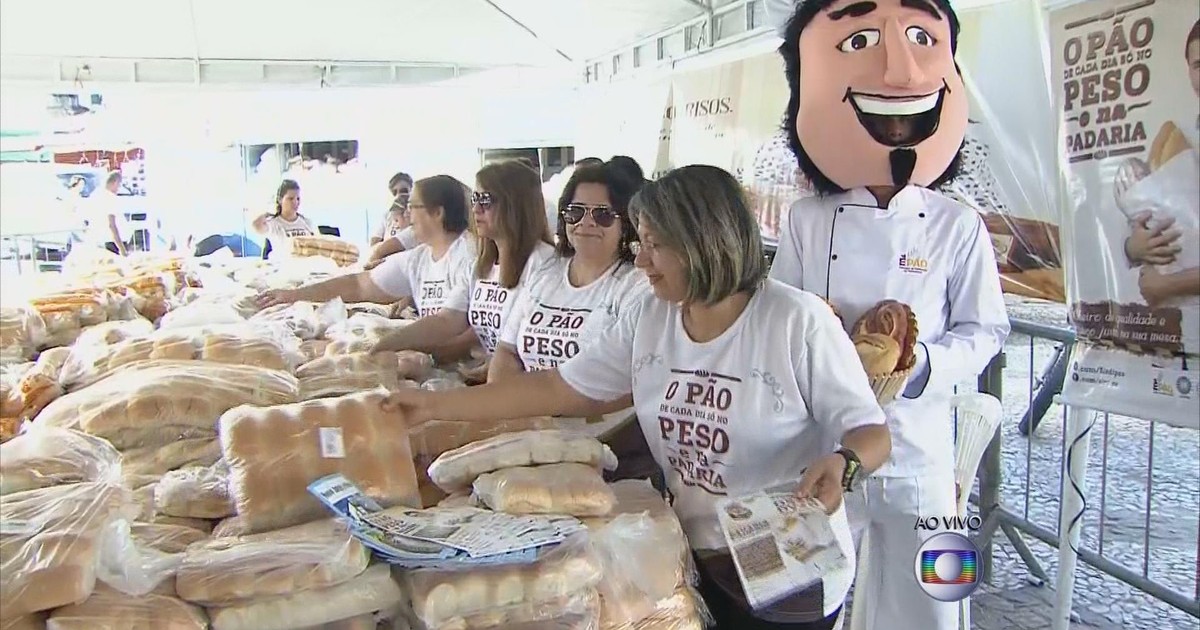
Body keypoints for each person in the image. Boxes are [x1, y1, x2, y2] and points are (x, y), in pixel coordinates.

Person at [378, 165, 892, 630]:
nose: (640, 259)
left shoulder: (796, 321)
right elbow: (559, 387)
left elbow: (870, 431)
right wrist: (432, 407)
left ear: (703, 241)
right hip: (697, 549)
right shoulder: (653, 316)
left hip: (789, 564)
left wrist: (844, 463)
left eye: (654, 244)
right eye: (639, 241)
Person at [767, 2, 1010, 630]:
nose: (897, 123)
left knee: (938, 602)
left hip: (924, 456)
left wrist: (921, 364)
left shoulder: (957, 224)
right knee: (807, 598)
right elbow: (780, 316)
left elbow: (987, 330)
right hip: (826, 451)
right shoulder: (808, 220)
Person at [372, 160, 557, 360]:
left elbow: (530, 345)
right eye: (475, 199)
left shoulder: (544, 264)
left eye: (485, 200)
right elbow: (447, 320)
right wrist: (383, 346)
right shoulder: (483, 265)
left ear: (515, 205)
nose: (475, 209)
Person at [256, 175, 476, 319]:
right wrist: (294, 295)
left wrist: (393, 344)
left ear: (437, 213)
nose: (407, 214)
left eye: (412, 207)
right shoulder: (418, 259)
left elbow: (459, 327)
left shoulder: (469, 255)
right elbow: (359, 285)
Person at [251, 180, 315, 252]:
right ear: (280, 200)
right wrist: (268, 213)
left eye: (298, 198)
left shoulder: (307, 222)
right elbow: (256, 225)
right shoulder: (273, 224)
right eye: (290, 199)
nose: (295, 202)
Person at [79, 171, 130, 256]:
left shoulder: (94, 195)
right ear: (115, 182)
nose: (118, 188)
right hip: (112, 243)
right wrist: (122, 249)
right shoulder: (110, 198)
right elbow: (111, 225)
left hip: (98, 241)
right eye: (119, 185)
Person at [368, 172, 418, 257]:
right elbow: (375, 242)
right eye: (395, 192)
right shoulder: (387, 215)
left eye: (404, 191)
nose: (399, 195)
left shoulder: (419, 214)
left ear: (411, 190)